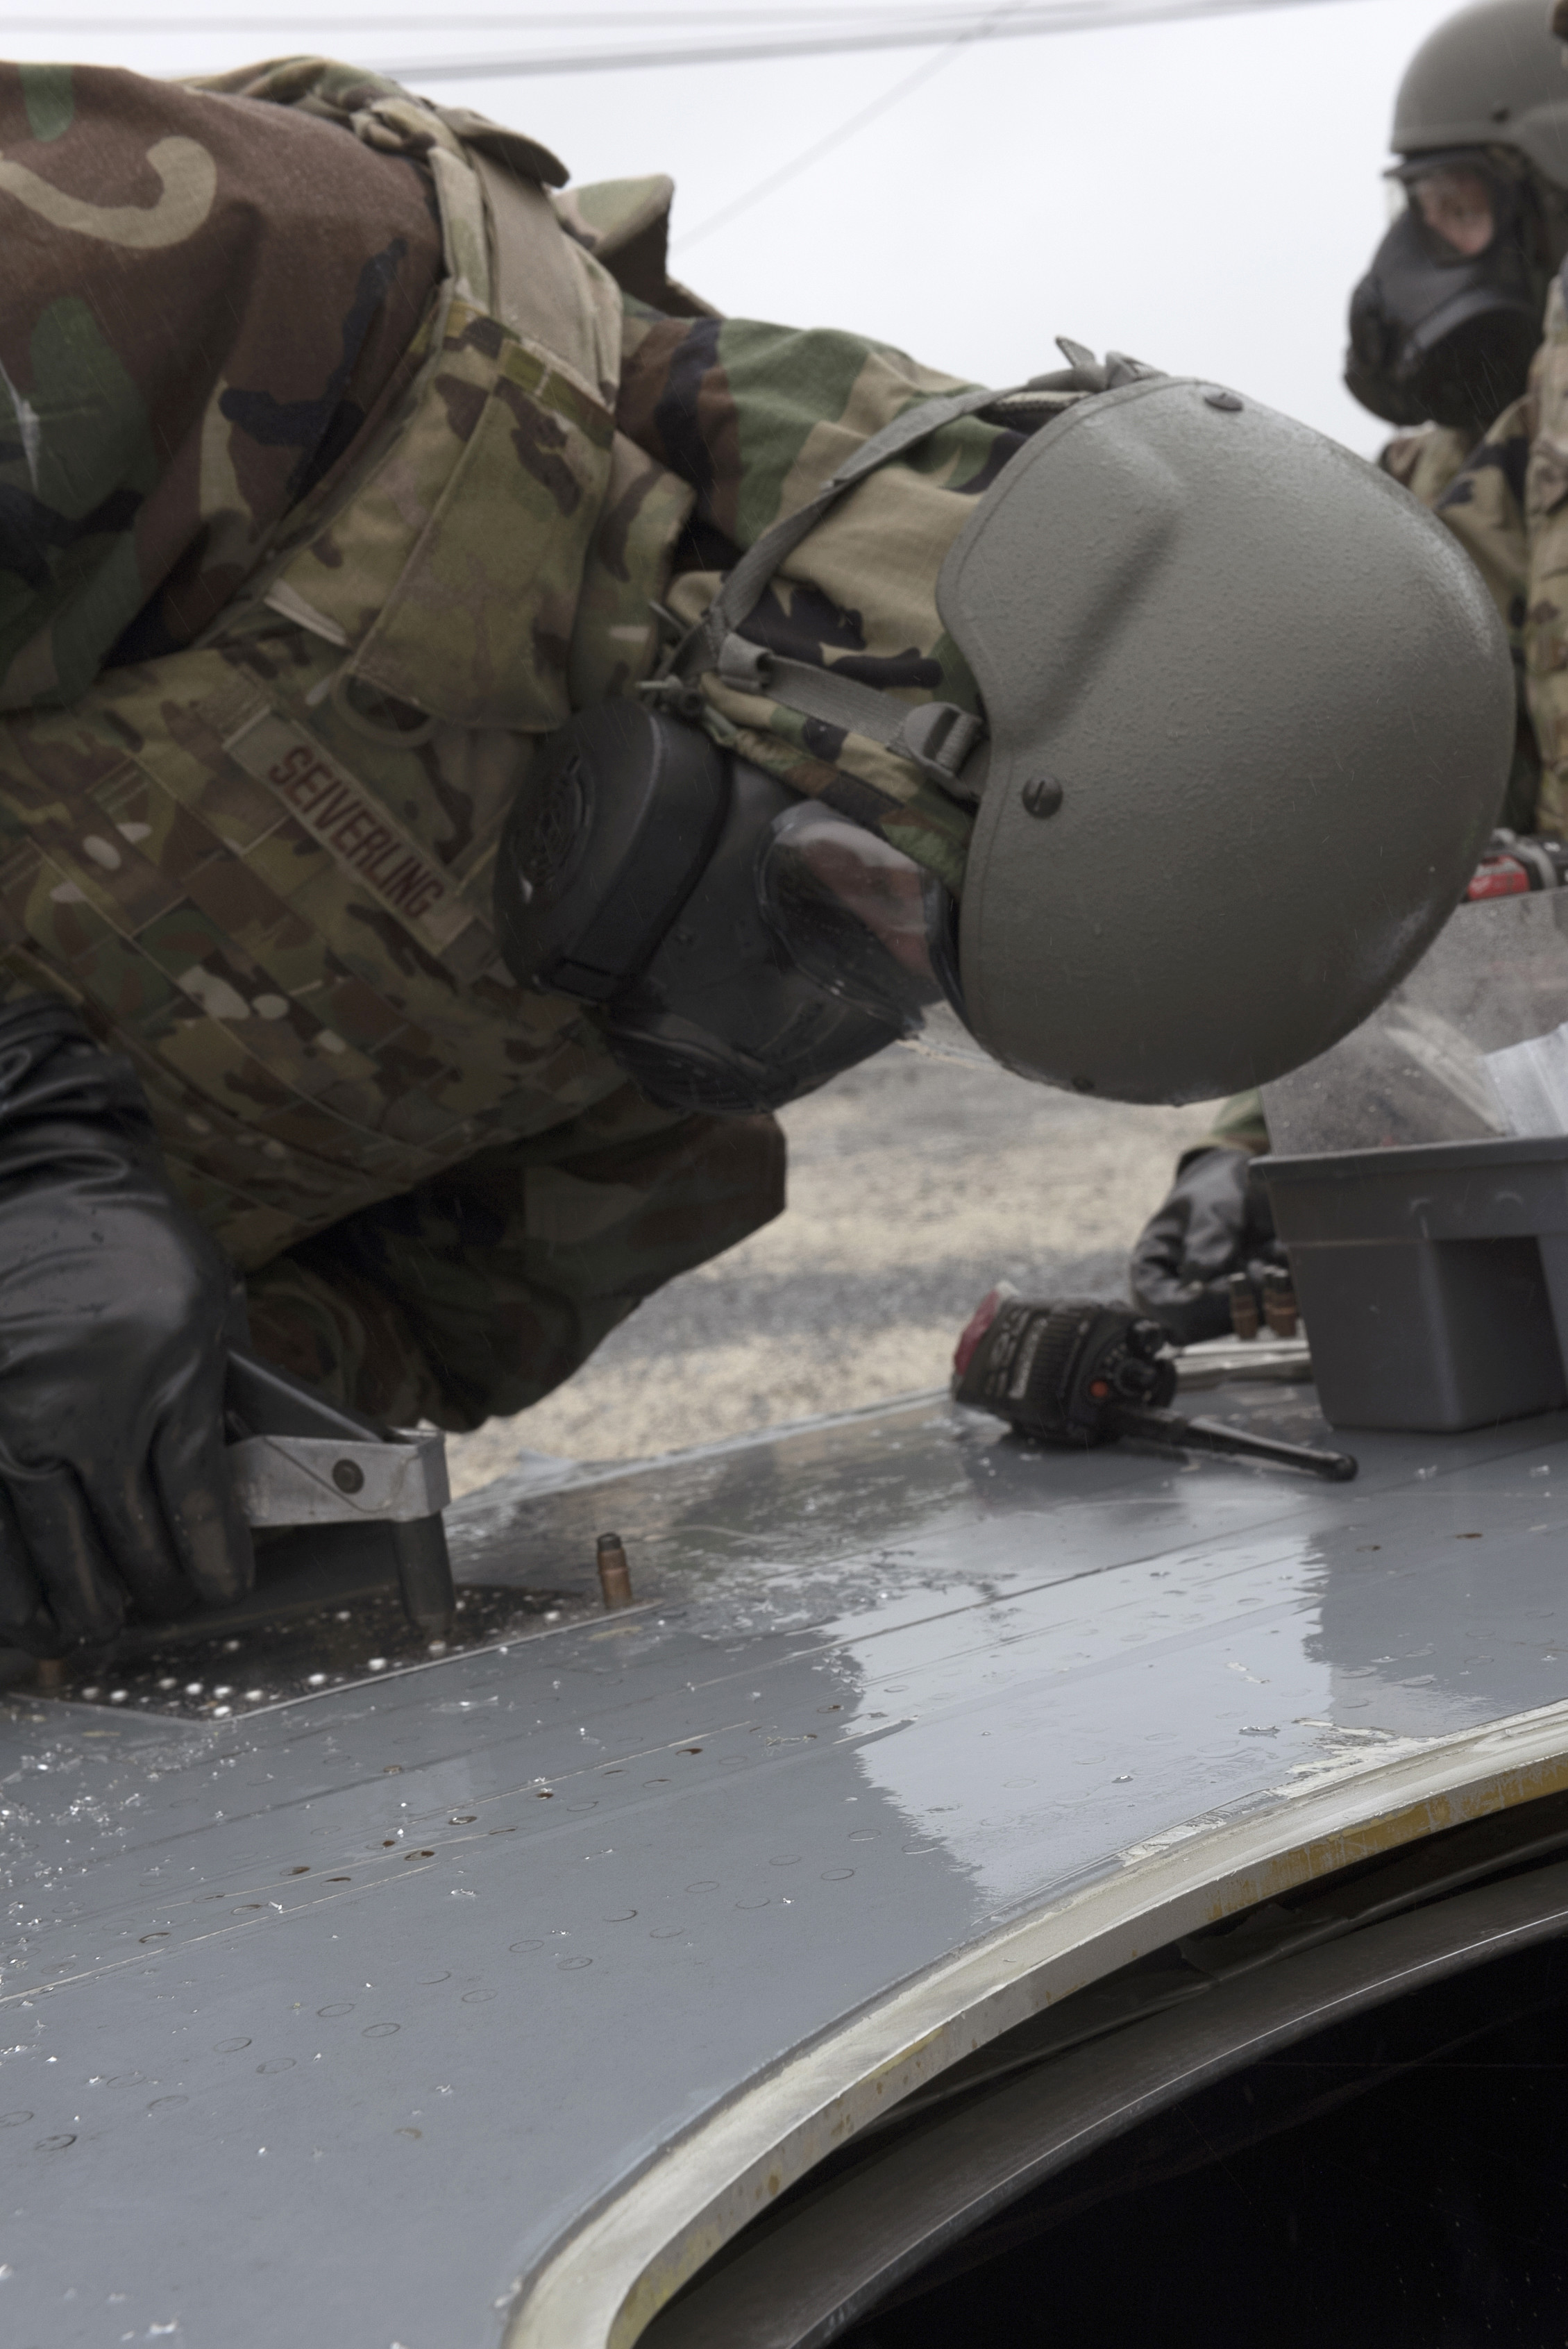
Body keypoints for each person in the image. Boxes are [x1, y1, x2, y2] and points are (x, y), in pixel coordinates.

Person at [0, 54, 1509, 1656]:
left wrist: (146, 1432)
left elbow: (391, 1348)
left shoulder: (667, 1119)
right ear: (844, 680)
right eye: (858, 897)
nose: (806, 999)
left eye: (915, 987)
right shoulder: (261, 284)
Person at [1132, 0, 1568, 1347]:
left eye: (1454, 207)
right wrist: (1255, 1150)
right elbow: (1400, 852)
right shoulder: (1475, 493)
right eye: (1429, 209)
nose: (1429, 254)